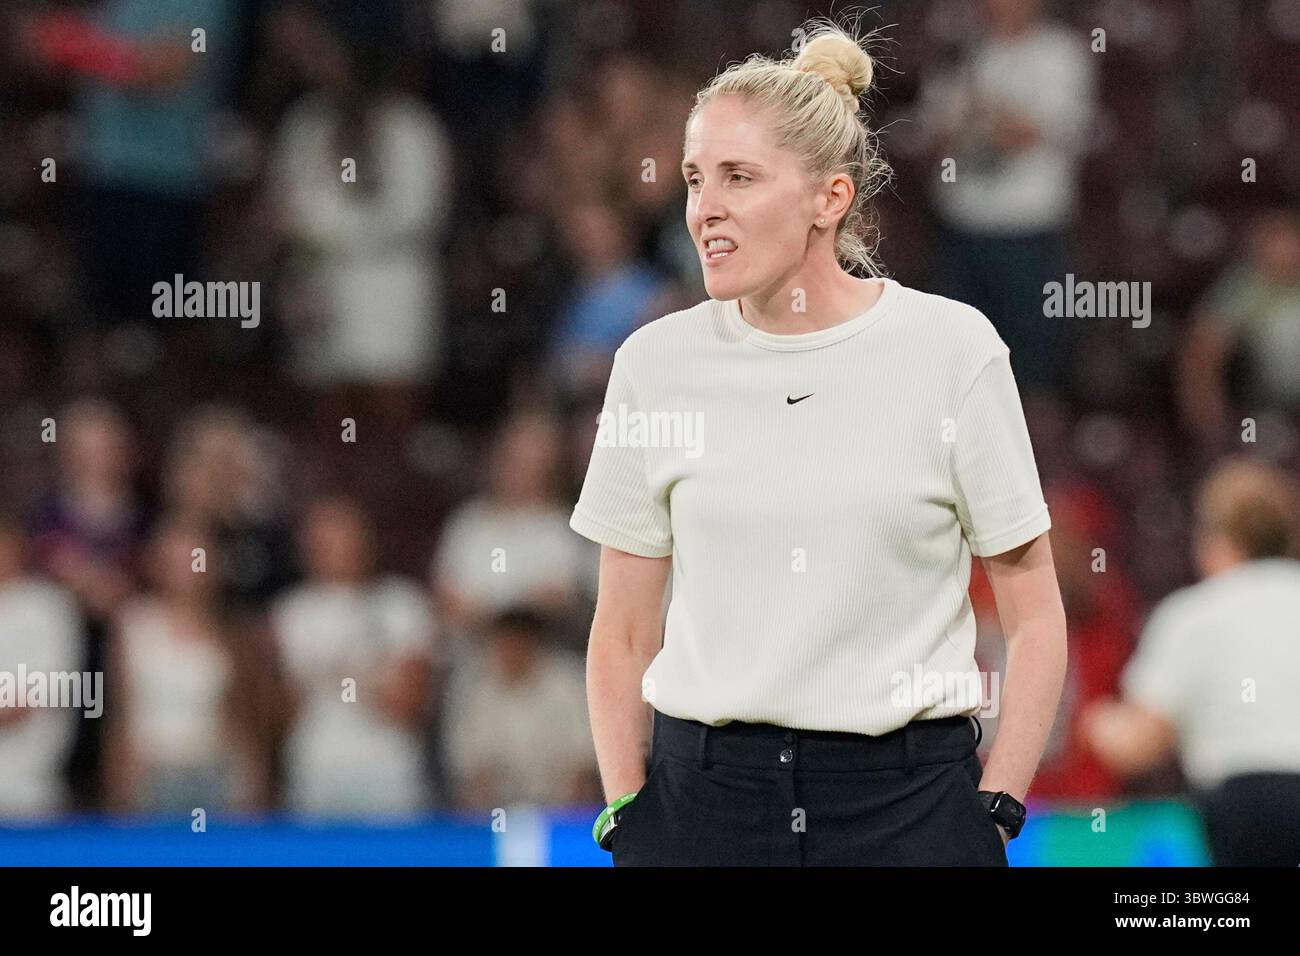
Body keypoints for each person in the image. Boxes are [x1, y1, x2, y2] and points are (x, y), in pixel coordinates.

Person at [571, 18, 1067, 866]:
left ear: (828, 199)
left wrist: (994, 811)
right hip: (705, 805)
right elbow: (620, 628)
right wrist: (626, 813)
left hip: (908, 805)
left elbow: (1034, 616)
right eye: (695, 178)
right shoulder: (654, 362)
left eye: (738, 178)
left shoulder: (954, 350)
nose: (704, 209)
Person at [1082, 458, 1300, 866]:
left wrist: (1097, 721)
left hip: (1245, 808)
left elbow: (1138, 744)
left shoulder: (1193, 614)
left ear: (1215, 540)